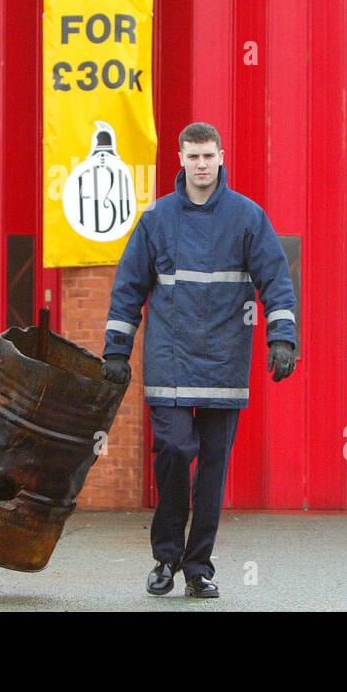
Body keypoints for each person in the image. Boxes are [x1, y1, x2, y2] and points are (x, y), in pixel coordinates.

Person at [101, 122, 298, 598]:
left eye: (209, 156)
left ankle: (198, 568)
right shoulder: (156, 219)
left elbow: (275, 278)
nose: (202, 164)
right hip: (169, 361)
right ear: (181, 160)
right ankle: (165, 556)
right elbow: (128, 288)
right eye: (193, 157)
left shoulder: (248, 217)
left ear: (221, 157)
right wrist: (115, 351)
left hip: (225, 363)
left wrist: (282, 337)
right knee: (173, 450)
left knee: (212, 466)